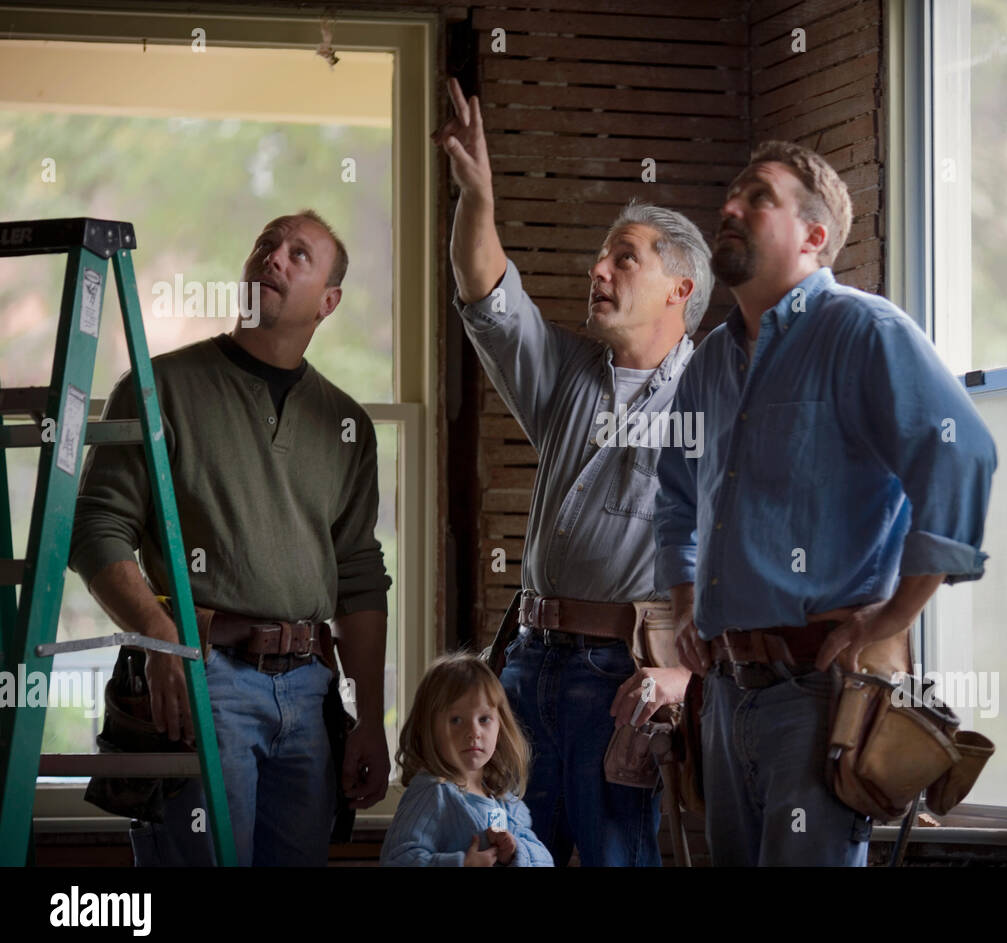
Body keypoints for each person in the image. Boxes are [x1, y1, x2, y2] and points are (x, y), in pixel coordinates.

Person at [654, 141, 997, 866]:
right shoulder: (709, 362)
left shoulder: (864, 331)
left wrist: (896, 616)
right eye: (731, 195)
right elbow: (675, 498)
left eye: (759, 198)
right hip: (721, 699)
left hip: (819, 700)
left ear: (814, 237)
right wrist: (685, 601)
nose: (730, 207)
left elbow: (961, 450)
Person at [434, 78, 713, 865]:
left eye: (622, 259)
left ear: (679, 289)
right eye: (599, 256)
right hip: (525, 668)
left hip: (623, 681)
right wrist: (477, 194)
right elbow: (486, 292)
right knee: (516, 857)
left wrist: (684, 683)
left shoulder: (714, 400)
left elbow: (746, 568)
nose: (598, 271)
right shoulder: (566, 372)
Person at [69, 210, 392, 866]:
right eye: (265, 245)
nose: (273, 258)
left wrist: (370, 722)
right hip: (202, 680)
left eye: (299, 255)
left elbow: (358, 575)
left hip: (310, 690)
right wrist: (160, 635)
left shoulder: (347, 424)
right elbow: (95, 530)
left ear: (328, 303)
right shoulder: (158, 391)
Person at [380, 653, 552, 866]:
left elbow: (544, 860)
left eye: (484, 719)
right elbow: (396, 860)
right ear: (427, 729)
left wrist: (514, 850)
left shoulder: (505, 800)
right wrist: (462, 864)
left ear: (501, 725)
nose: (473, 732)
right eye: (456, 720)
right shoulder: (432, 795)